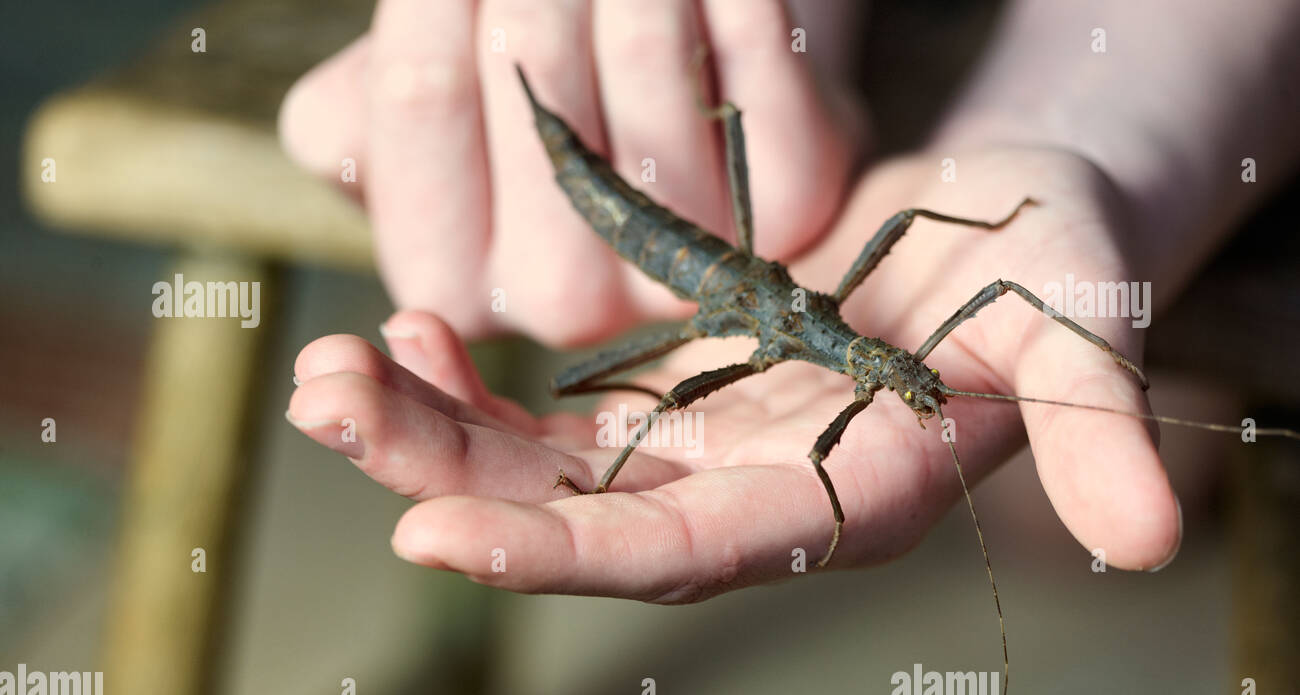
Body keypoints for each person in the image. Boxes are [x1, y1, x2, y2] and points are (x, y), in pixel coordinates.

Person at [279, 0, 1300, 602]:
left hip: (739, 275)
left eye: (904, 376)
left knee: (1048, 518)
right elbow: (823, 462)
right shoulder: (831, 356)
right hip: (680, 242)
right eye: (904, 374)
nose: (908, 375)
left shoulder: (852, 352)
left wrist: (1076, 143)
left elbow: (833, 449)